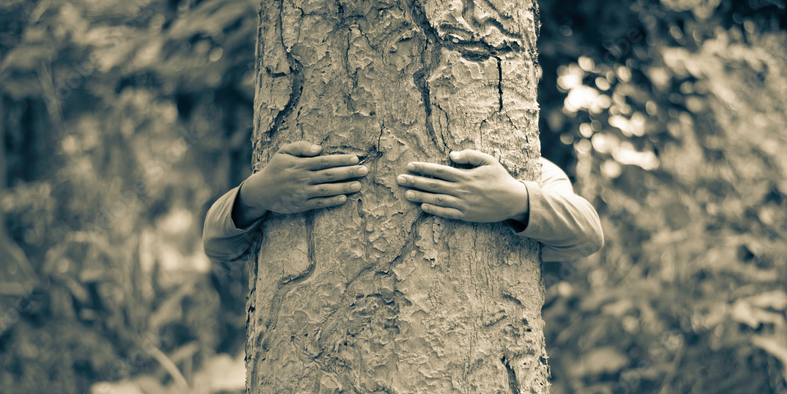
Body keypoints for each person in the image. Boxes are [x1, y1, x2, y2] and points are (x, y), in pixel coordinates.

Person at [202, 141, 603, 262]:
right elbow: (217, 244)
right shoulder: (287, 167)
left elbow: (587, 232)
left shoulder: (528, 166)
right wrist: (255, 194)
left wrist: (514, 198)